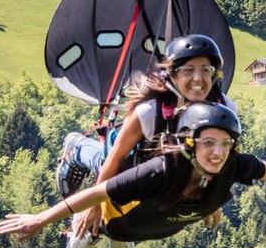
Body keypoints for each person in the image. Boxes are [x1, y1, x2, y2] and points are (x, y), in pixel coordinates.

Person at [0, 103, 266, 248]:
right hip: (122, 213)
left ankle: (120, 237)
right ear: (190, 143)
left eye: (226, 144)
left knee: (129, 241)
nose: (218, 152)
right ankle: (78, 150)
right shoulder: (160, 171)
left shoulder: (229, 165)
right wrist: (41, 220)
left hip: (154, 222)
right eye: (209, 143)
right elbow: (98, 191)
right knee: (109, 182)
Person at [55, 33, 237, 236]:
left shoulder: (225, 109)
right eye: (188, 70)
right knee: (103, 162)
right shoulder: (150, 111)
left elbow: (222, 158)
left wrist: (211, 201)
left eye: (205, 70)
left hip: (158, 170)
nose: (198, 78)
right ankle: (77, 147)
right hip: (130, 157)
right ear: (173, 75)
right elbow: (116, 157)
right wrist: (94, 205)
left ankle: (117, 234)